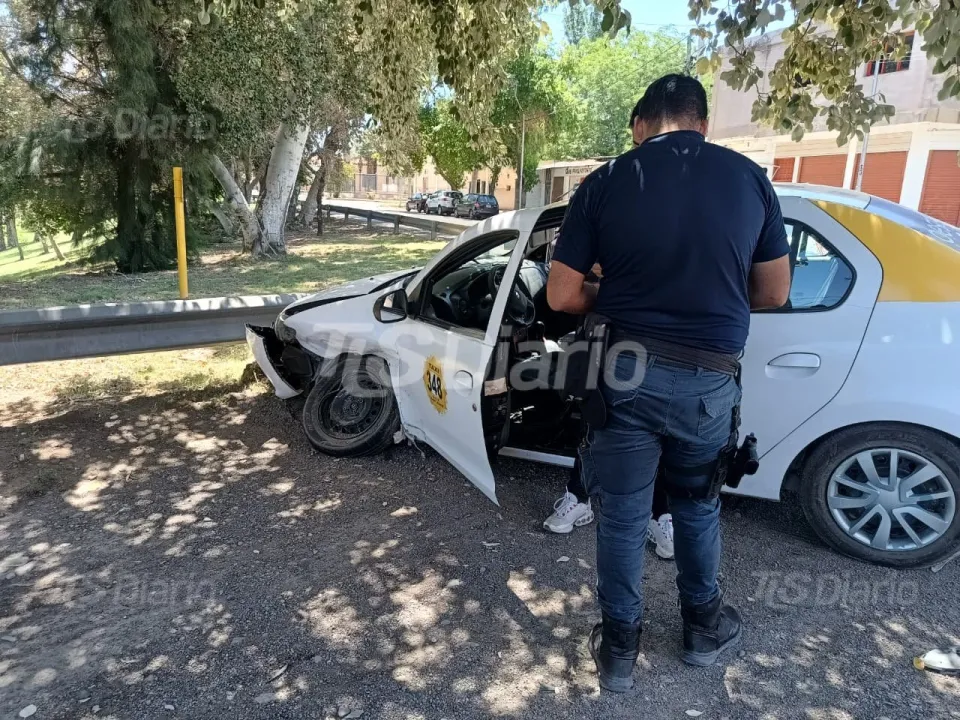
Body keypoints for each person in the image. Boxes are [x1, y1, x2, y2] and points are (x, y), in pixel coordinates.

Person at [546, 74, 791, 692]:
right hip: (709, 382)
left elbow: (562, 295)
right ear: (702, 124)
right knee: (697, 506)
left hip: (623, 376)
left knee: (623, 518)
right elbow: (774, 292)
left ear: (639, 125)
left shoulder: (605, 181)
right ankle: (702, 629)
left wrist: (617, 294)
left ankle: (618, 651)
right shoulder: (749, 179)